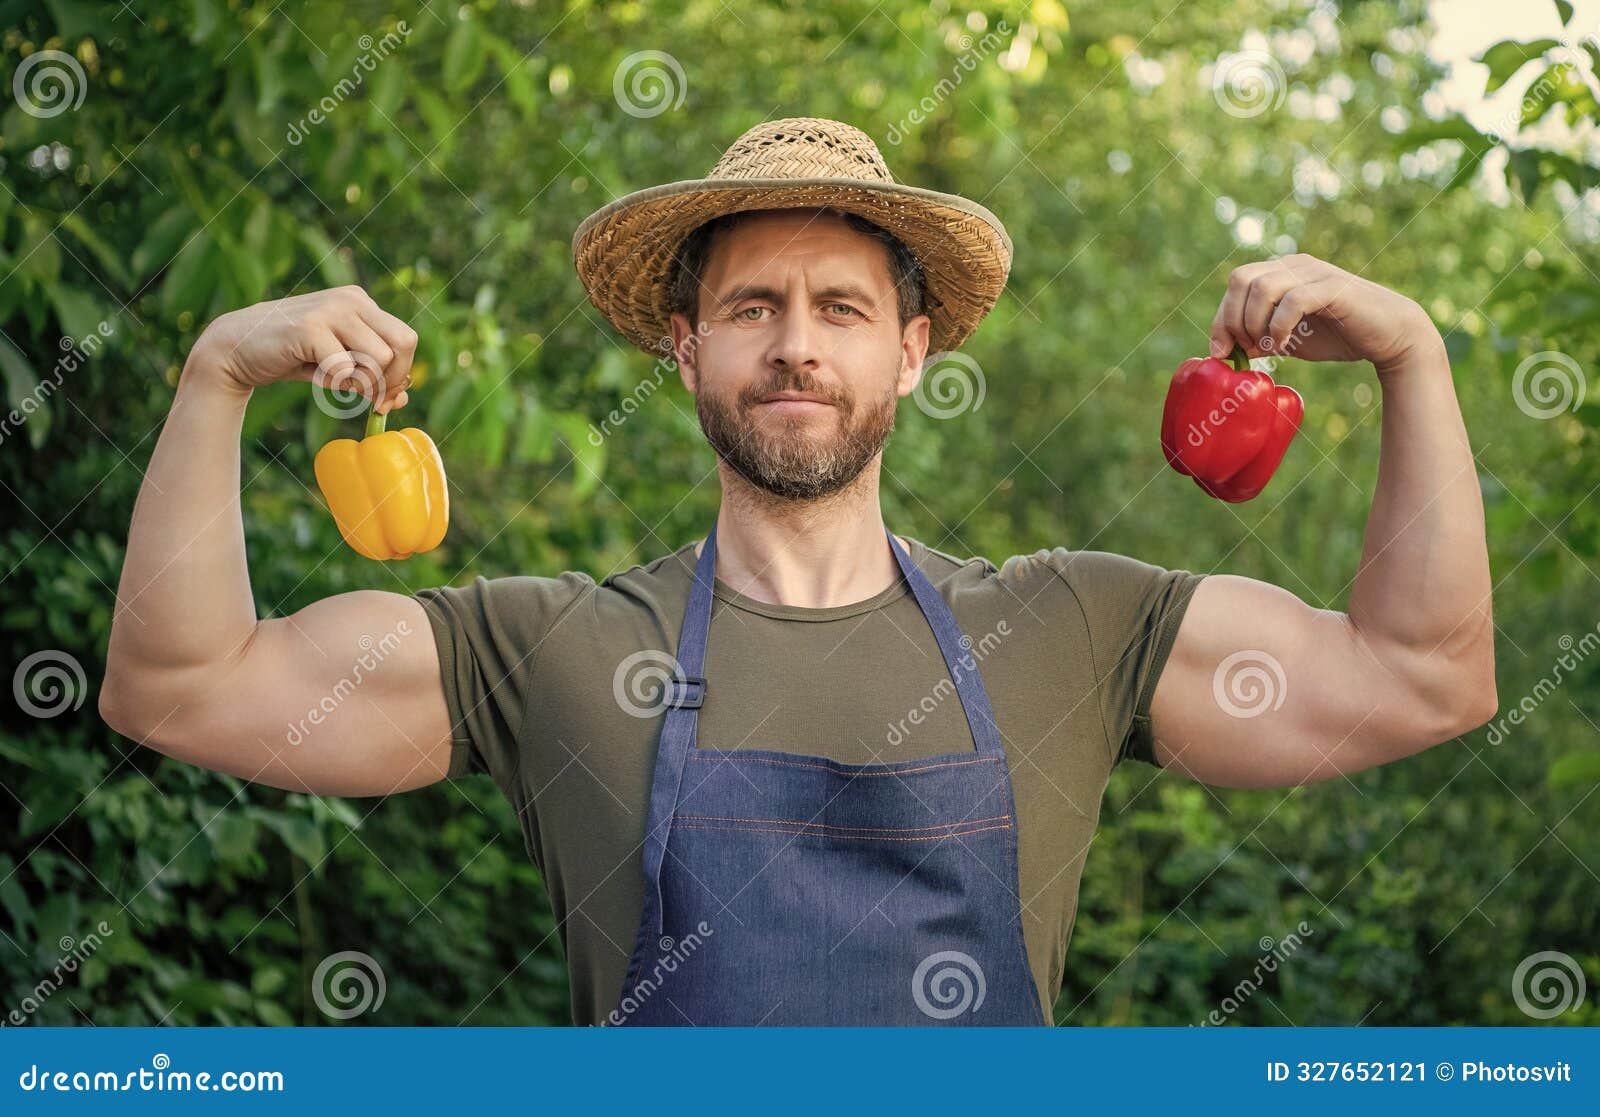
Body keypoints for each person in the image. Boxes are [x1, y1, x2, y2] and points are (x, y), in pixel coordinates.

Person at [100, 117, 1496, 1026]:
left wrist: (1412, 354)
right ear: (684, 345)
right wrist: (218, 372)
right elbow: (184, 687)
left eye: (841, 308)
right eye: (753, 307)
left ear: (914, 351)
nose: (796, 347)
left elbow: (1422, 677)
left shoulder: (1075, 626)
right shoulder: (545, 651)